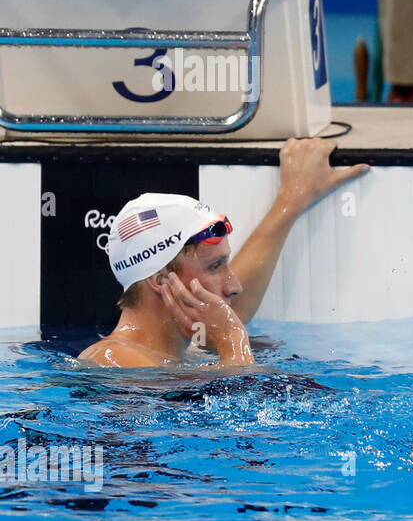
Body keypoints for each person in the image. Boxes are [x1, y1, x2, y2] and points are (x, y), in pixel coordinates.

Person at [78, 139, 368, 368]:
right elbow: (238, 424)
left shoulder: (177, 354)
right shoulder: (114, 362)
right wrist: (232, 342)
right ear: (163, 279)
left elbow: (231, 311)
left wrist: (291, 199)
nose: (235, 285)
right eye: (215, 266)